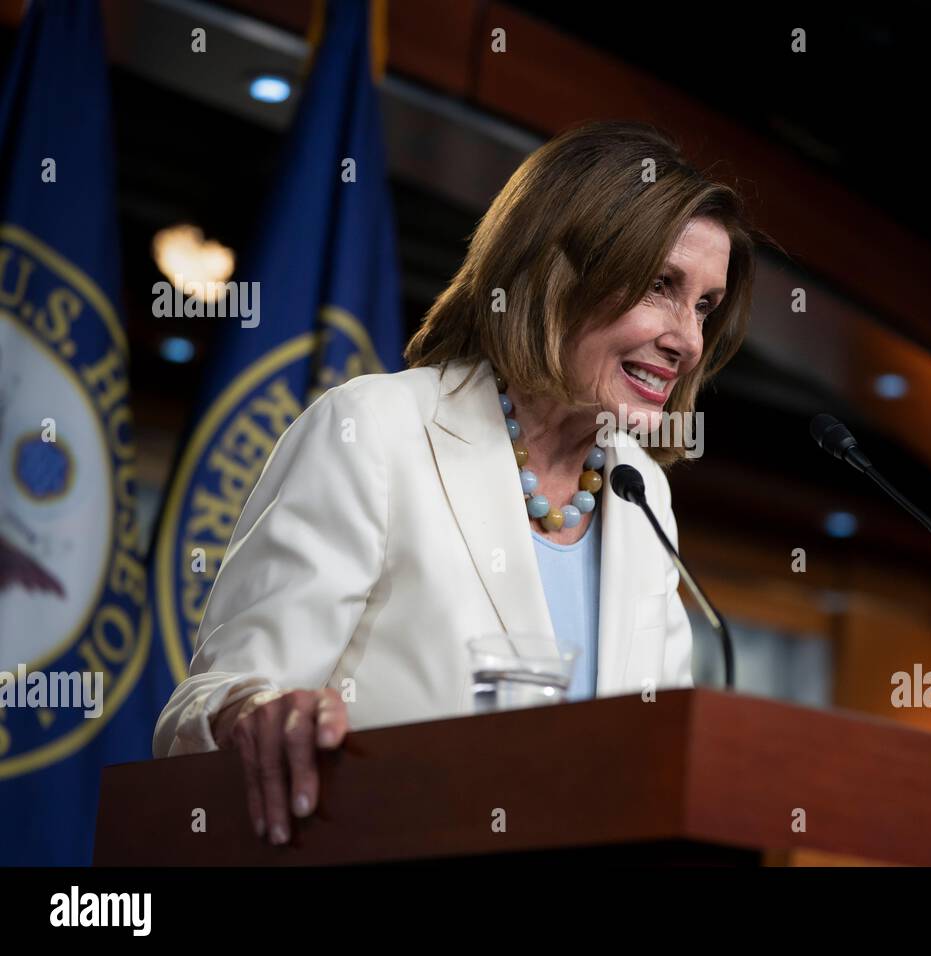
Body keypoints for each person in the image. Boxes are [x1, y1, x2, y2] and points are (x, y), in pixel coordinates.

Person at [152, 119, 760, 845]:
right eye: (661, 286)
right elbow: (211, 702)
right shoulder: (377, 430)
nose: (688, 341)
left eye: (704, 307)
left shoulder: (640, 494)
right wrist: (253, 713)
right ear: (559, 271)